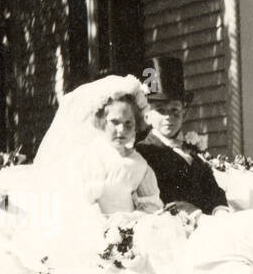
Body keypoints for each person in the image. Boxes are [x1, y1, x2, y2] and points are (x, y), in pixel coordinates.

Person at [34, 75, 163, 216]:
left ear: (136, 124)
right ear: (102, 121)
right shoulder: (92, 157)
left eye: (128, 123)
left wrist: (131, 223)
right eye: (115, 122)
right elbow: (85, 202)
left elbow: (150, 206)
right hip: (95, 227)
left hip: (127, 230)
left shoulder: (140, 164)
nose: (121, 130)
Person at [135, 56, 231, 215]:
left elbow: (213, 190)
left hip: (206, 225)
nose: (168, 117)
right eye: (160, 110)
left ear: (184, 114)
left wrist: (219, 209)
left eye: (175, 110)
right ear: (147, 115)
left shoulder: (190, 151)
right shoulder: (144, 152)